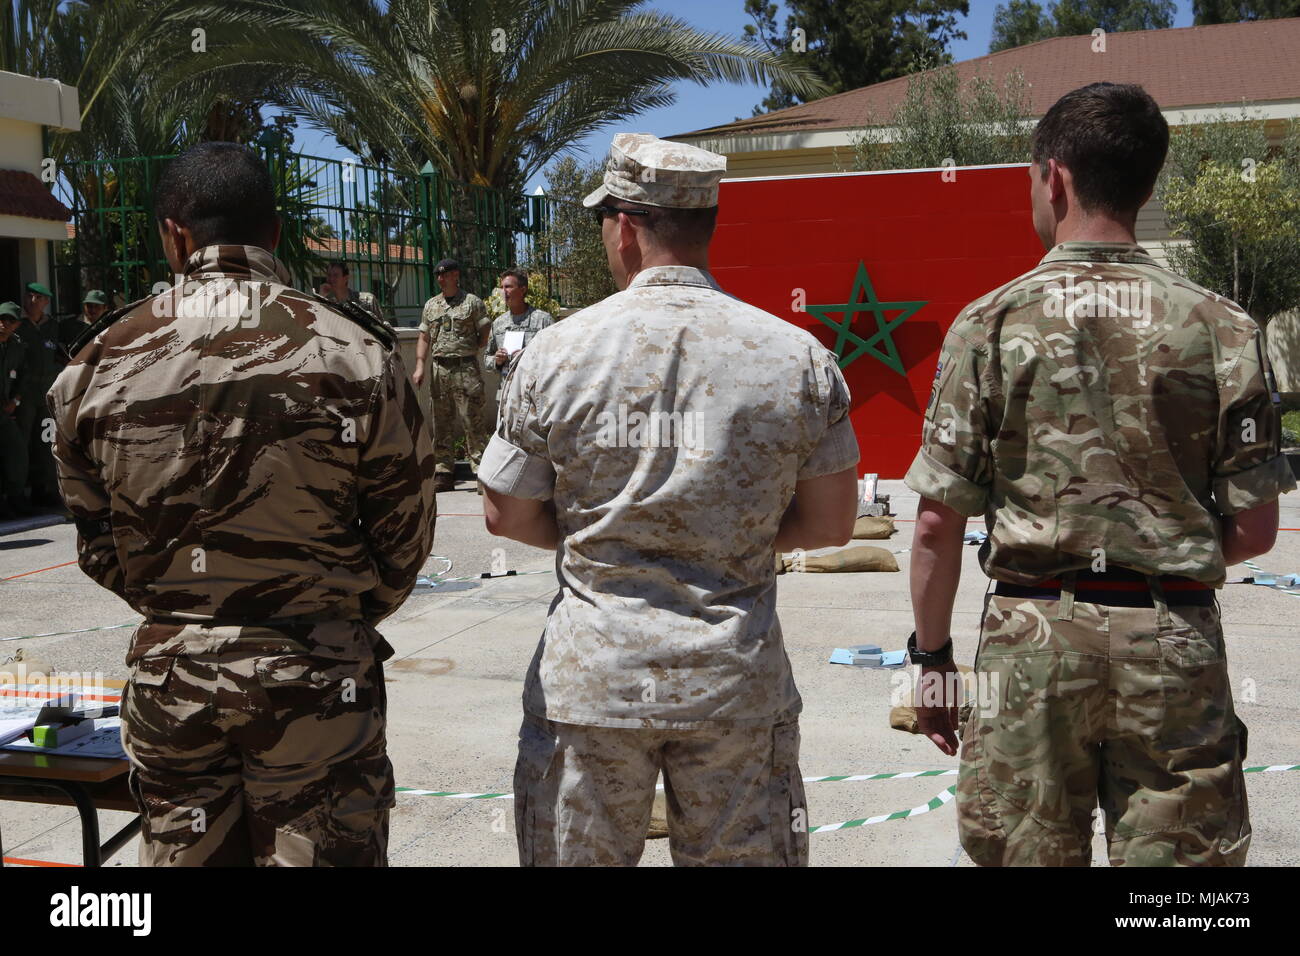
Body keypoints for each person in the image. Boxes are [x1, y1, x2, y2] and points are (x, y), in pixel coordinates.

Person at [904, 82, 1295, 867]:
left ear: (1055, 178)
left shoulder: (989, 323)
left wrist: (933, 668)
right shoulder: (1224, 326)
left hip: (1027, 648)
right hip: (1175, 642)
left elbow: (935, 524)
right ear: (1147, 185)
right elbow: (1254, 528)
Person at [47, 141, 437, 867]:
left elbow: (98, 540)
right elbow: (405, 535)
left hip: (174, 684)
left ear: (174, 233)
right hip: (317, 683)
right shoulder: (354, 350)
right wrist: (331, 616)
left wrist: (183, 607)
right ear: (277, 234)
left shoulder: (96, 362)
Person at [480, 132, 860, 866]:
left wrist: (600, 533)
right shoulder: (796, 357)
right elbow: (832, 522)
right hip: (734, 688)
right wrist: (733, 535)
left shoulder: (555, 352)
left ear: (624, 227)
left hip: (594, 688)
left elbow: (505, 513)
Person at [412, 258, 490, 492]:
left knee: (472, 420)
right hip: (440, 369)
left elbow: (485, 329)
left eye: (443, 274)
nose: (439, 279)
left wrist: (473, 348)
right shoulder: (431, 305)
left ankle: (482, 473)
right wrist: (419, 366)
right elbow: (424, 337)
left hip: (465, 367)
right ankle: (444, 472)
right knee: (441, 422)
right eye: (437, 275)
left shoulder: (472, 302)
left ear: (455, 275)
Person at [13, 280, 63, 509]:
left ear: (46, 302)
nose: (32, 301)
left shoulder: (52, 327)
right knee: (21, 445)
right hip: (24, 397)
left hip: (45, 395)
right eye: (29, 296)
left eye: (37, 298)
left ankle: (45, 489)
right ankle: (18, 493)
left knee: (45, 443)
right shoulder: (18, 327)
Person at [485, 268, 554, 419]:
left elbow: (556, 357)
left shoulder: (543, 320)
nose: (503, 292)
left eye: (508, 287)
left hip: (534, 396)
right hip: (506, 395)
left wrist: (529, 356)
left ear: (523, 289)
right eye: (502, 287)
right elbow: (487, 359)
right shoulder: (498, 323)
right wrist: (496, 361)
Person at [0, 302, 29, 519]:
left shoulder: (17, 345)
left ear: (17, 325)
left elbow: (24, 375)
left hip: (5, 408)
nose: (3, 324)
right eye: (1, 319)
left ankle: (15, 497)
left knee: (16, 452)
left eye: (9, 321)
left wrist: (16, 400)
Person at [318, 260, 390, 327]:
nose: (331, 279)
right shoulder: (327, 303)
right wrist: (321, 297)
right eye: (329, 275)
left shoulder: (368, 300)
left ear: (346, 278)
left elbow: (383, 330)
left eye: (335, 275)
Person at [58, 290, 108, 355]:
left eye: (97, 306)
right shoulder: (68, 325)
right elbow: (58, 348)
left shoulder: (110, 326)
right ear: (84, 306)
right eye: (89, 306)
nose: (93, 310)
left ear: (105, 308)